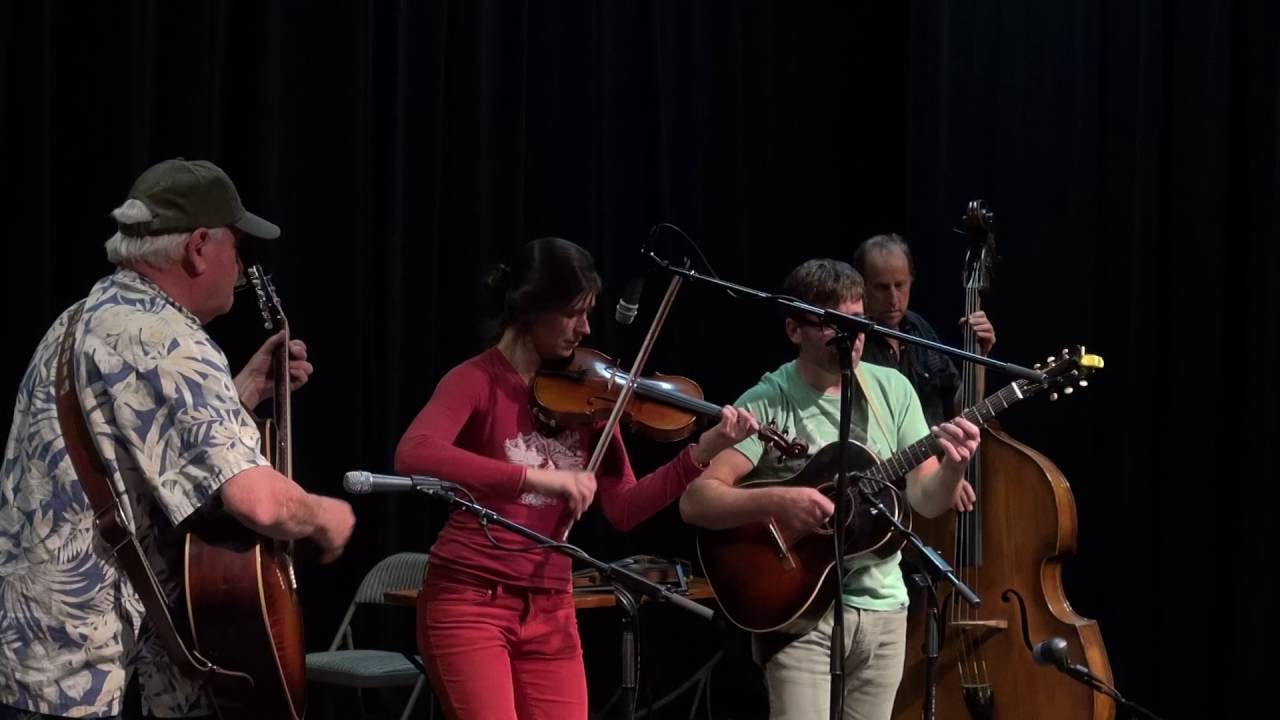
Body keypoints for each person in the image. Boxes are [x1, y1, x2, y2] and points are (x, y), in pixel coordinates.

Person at [0, 159, 356, 720]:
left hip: (41, 654)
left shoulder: (81, 318)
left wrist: (241, 393)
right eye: (237, 248)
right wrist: (325, 516)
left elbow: (129, 448)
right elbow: (257, 501)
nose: (241, 266)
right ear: (197, 248)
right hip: (84, 666)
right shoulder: (166, 340)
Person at [394, 236, 759, 720]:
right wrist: (535, 479)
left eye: (588, 313)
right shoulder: (475, 380)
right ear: (530, 307)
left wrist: (700, 454)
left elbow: (624, 508)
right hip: (471, 601)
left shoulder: (585, 395)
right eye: (573, 313)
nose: (586, 329)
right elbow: (413, 453)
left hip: (552, 607)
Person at [678, 258, 981, 720]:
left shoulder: (892, 390)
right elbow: (697, 501)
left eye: (857, 323)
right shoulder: (769, 400)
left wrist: (954, 469)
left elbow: (924, 499)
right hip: (799, 612)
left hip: (884, 610)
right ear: (794, 329)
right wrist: (780, 499)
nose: (851, 337)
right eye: (833, 325)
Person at [853, 233, 996, 512]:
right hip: (886, 495)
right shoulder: (855, 344)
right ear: (862, 287)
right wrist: (942, 481)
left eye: (900, 285)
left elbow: (962, 408)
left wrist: (978, 357)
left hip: (934, 480)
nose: (893, 298)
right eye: (882, 288)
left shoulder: (918, 329)